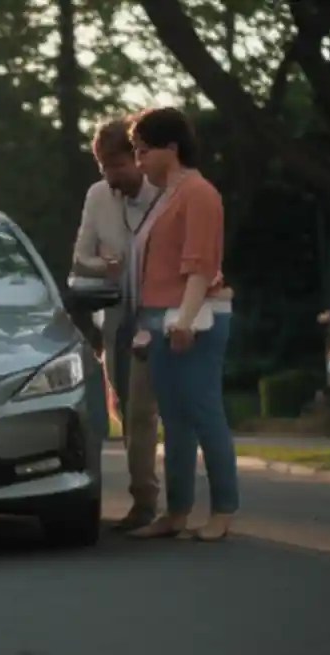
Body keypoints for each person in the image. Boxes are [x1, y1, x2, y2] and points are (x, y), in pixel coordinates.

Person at [125, 108, 238, 542]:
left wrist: (185, 321)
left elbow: (199, 266)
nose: (139, 162)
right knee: (174, 419)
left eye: (144, 151)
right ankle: (177, 510)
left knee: (204, 412)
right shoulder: (166, 197)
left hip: (192, 318)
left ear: (171, 148)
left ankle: (224, 509)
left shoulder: (199, 193)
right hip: (159, 319)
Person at [71, 117, 163, 532]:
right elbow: (80, 258)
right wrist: (106, 266)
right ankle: (142, 498)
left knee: (148, 411)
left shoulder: (164, 193)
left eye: (117, 166)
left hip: (160, 312)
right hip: (115, 312)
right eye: (103, 168)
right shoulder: (97, 196)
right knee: (126, 407)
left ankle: (150, 501)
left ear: (136, 159)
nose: (111, 177)